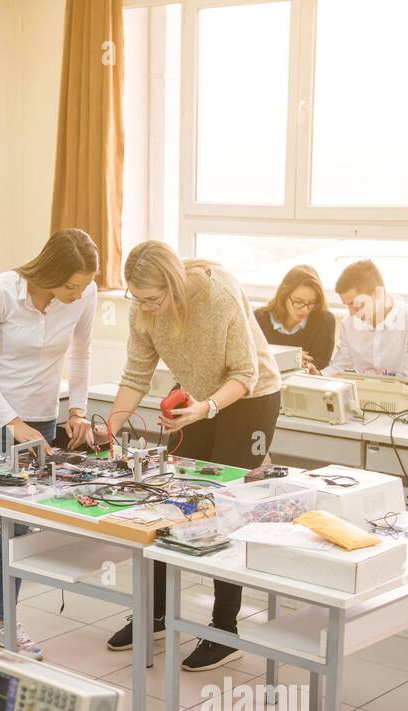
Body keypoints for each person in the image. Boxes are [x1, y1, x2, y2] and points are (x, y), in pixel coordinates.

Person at [96, 241, 282, 670]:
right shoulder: (143, 309)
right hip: (198, 400)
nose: (145, 307)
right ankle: (153, 615)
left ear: (175, 286)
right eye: (136, 298)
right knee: (169, 501)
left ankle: (224, 631)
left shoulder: (219, 295)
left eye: (153, 299)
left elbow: (245, 373)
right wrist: (109, 429)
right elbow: (136, 374)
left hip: (250, 399)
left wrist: (206, 408)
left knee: (223, 506)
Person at [0, 229, 99, 658]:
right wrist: (11, 422)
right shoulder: (1, 292)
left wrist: (78, 410)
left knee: (20, 530)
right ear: (49, 272)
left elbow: (82, 354)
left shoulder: (84, 295)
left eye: (83, 285)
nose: (77, 294)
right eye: (70, 285)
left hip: (41, 420)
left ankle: (4, 623)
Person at [314, 260, 408, 388]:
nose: (351, 313)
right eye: (347, 305)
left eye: (356, 304)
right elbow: (341, 366)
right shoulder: (348, 325)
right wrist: (319, 375)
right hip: (362, 398)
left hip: (404, 403)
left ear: (378, 293)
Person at [254, 264, 336, 372]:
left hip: (303, 383)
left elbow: (321, 363)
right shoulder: (259, 318)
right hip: (266, 383)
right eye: (298, 301)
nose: (305, 310)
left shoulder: (324, 320)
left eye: (311, 303)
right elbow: (251, 358)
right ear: (284, 296)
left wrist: (277, 359)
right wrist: (291, 358)